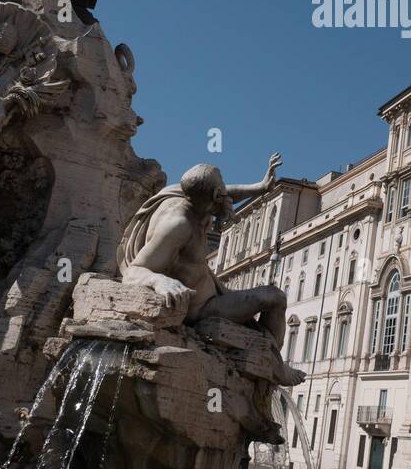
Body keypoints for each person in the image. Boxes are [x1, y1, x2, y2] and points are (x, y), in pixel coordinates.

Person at [118, 152, 305, 386]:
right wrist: (159, 281)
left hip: (213, 289)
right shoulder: (179, 224)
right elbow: (135, 271)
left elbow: (228, 195)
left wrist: (261, 187)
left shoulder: (190, 196)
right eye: (222, 186)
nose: (227, 191)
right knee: (275, 297)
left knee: (267, 300)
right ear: (216, 195)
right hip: (202, 308)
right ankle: (275, 367)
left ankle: (269, 359)